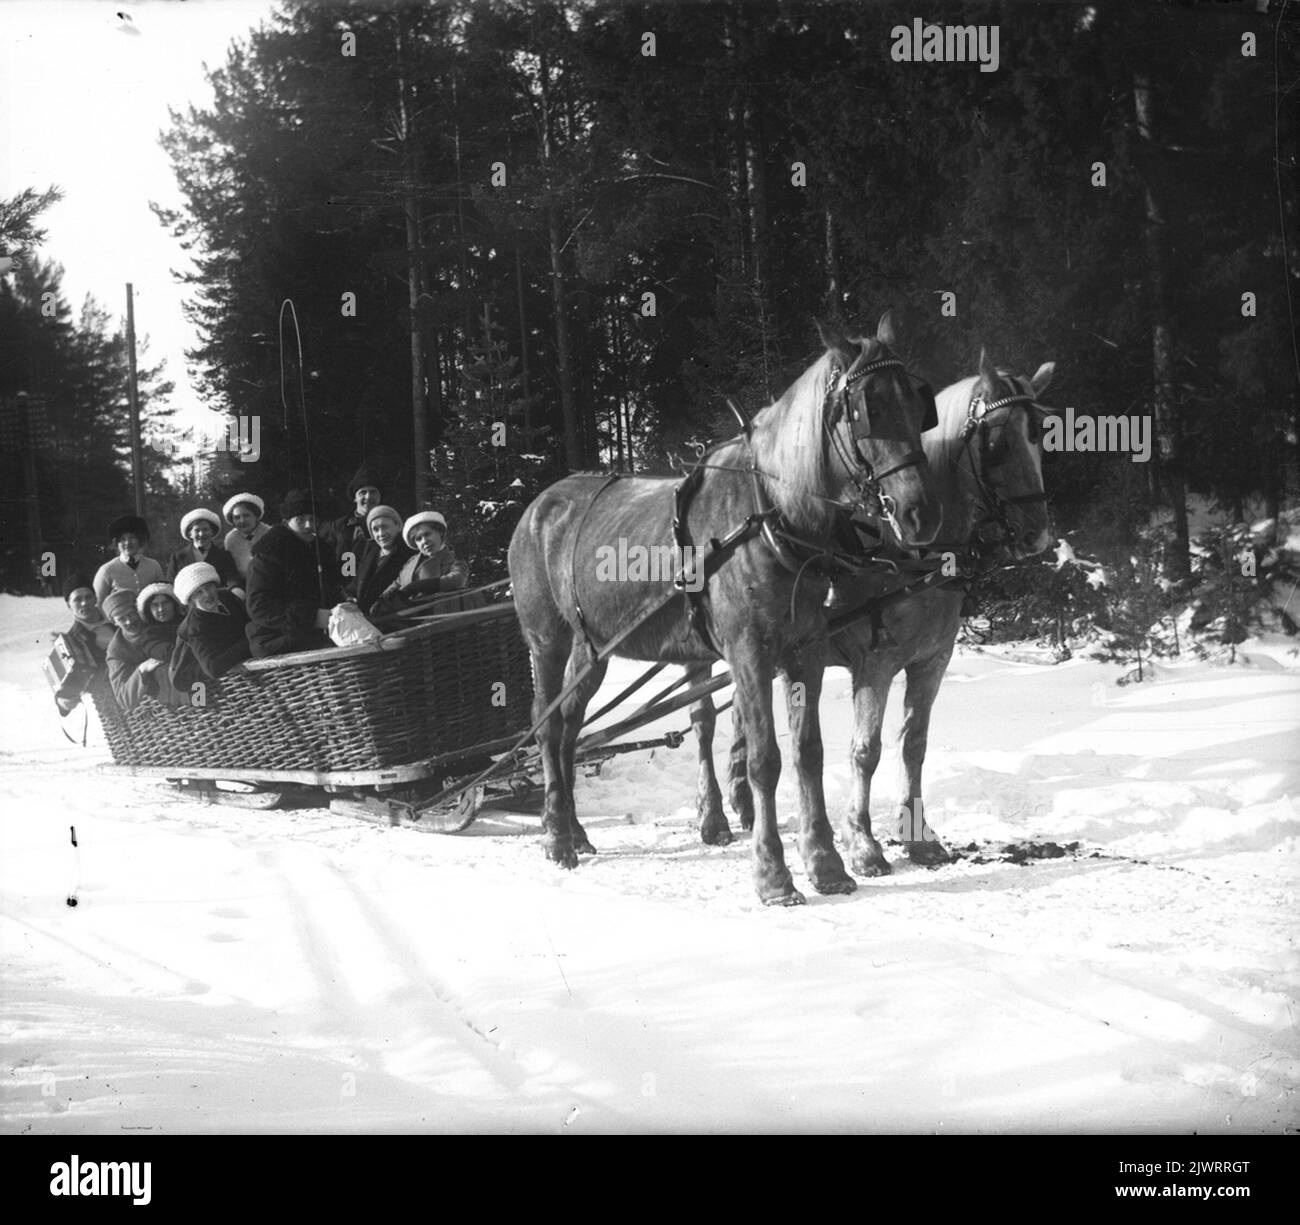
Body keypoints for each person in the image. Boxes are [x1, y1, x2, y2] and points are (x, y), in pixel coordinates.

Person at [245, 488, 348, 658]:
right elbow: (259, 607)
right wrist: (311, 617)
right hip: (275, 637)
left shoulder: (321, 550)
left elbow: (332, 586)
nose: (308, 526)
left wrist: (343, 602)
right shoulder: (268, 556)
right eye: (300, 520)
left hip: (321, 629)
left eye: (312, 519)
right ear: (286, 523)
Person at [102, 588, 188, 710]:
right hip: (169, 704)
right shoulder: (117, 650)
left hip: (191, 680)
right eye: (121, 619)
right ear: (114, 622)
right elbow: (123, 698)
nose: (129, 621)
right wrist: (143, 669)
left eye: (132, 613)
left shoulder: (156, 620)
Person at [170, 562, 252, 686]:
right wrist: (250, 641)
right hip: (198, 678)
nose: (207, 594)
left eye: (209, 587)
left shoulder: (227, 598)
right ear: (191, 599)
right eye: (199, 592)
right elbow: (212, 668)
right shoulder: (195, 627)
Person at [51, 573, 116, 715]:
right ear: (69, 605)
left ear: (95, 598)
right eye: (77, 600)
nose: (84, 603)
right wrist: (62, 701)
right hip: (113, 705)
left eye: (88, 597)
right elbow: (68, 679)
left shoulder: (117, 618)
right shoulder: (71, 642)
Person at [379, 511, 469, 611]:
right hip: (407, 616)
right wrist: (383, 598)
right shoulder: (411, 562)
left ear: (440, 532)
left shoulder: (453, 558)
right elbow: (397, 584)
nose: (424, 541)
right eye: (418, 539)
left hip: (439, 615)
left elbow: (458, 579)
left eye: (427, 534)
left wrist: (420, 586)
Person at [350, 504, 412, 618]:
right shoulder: (369, 552)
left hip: (391, 618)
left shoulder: (408, 554)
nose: (381, 534)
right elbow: (355, 585)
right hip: (363, 617)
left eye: (385, 527)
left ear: (398, 526)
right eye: (375, 529)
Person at [320, 464, 383, 574]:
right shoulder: (338, 526)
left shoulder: (389, 523)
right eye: (363, 492)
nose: (368, 497)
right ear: (355, 497)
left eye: (373, 492)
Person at [92, 514, 165, 606]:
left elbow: (162, 594)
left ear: (140, 540)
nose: (127, 543)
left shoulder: (154, 566)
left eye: (132, 538)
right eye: (122, 539)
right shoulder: (106, 570)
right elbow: (98, 604)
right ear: (116, 543)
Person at [166, 509, 242, 590]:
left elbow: (233, 581)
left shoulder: (224, 556)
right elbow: (171, 584)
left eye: (205, 530)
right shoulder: (178, 557)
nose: (201, 534)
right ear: (190, 534)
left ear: (212, 532)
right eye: (197, 530)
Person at [221, 493, 271, 580]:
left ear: (256, 516)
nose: (242, 521)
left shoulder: (269, 534)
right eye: (237, 517)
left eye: (246, 515)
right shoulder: (230, 539)